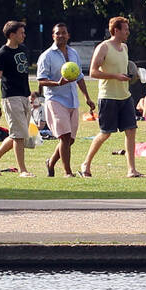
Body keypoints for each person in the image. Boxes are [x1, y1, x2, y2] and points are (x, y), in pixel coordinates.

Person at [81, 16, 144, 177]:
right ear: (116, 30)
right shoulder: (104, 47)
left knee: (131, 131)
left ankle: (131, 170)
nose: (128, 32)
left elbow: (125, 70)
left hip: (125, 96)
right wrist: (115, 76)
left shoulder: (125, 47)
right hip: (108, 97)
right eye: (125, 29)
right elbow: (93, 72)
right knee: (105, 133)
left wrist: (137, 74)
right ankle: (86, 164)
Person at [36, 22, 96, 177]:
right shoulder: (46, 56)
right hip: (55, 100)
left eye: (64, 33)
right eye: (58, 33)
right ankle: (67, 172)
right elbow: (41, 80)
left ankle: (51, 162)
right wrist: (57, 83)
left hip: (72, 100)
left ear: (68, 35)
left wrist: (87, 98)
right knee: (64, 137)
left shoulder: (73, 53)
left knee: (70, 140)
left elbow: (80, 77)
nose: (61, 35)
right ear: (53, 36)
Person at [0, 20, 35, 176]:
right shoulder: (2, 54)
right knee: (19, 135)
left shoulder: (24, 49)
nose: (24, 35)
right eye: (21, 32)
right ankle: (23, 170)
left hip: (24, 96)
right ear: (12, 35)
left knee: (20, 134)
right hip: (11, 97)